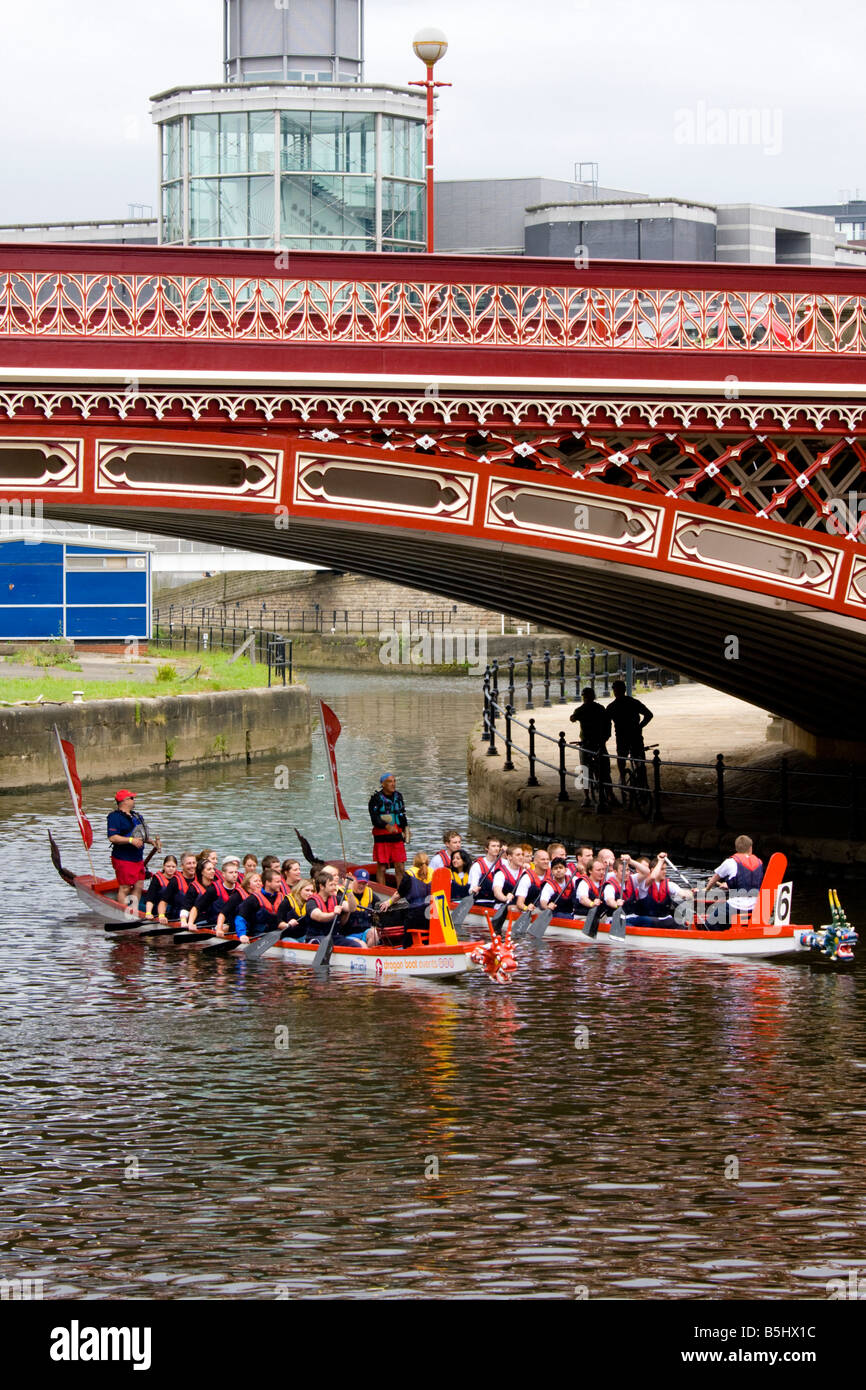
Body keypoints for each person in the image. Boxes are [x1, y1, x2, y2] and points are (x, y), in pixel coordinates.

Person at [107, 789, 161, 910]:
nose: (134, 800)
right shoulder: (114, 817)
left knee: (139, 885)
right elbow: (112, 837)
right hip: (123, 858)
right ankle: (122, 911)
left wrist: (151, 841)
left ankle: (134, 910)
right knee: (125, 887)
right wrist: (131, 840)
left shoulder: (136, 816)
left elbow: (141, 836)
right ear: (124, 801)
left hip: (137, 858)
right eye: (131, 798)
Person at [569, 689, 615, 808]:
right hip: (599, 742)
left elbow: (573, 718)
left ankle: (586, 797)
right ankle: (610, 795)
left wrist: (573, 718)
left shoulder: (581, 709)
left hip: (587, 743)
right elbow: (608, 723)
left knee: (584, 770)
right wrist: (606, 737)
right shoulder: (600, 708)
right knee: (605, 770)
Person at [705, 835, 764, 927]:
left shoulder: (730, 862)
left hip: (736, 906)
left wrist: (706, 890)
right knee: (726, 920)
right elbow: (749, 881)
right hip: (755, 906)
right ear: (751, 848)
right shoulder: (759, 862)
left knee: (709, 923)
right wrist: (728, 885)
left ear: (736, 849)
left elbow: (713, 880)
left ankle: (720, 935)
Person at [303, 868, 369, 947]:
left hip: (333, 937)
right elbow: (318, 916)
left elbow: (352, 908)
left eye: (334, 885)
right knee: (326, 944)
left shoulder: (337, 899)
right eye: (331, 885)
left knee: (356, 946)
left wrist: (349, 891)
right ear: (321, 886)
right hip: (315, 937)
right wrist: (333, 914)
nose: (334, 888)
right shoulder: (311, 902)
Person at [607, 680, 654, 790]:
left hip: (621, 736)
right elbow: (649, 715)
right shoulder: (633, 702)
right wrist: (640, 726)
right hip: (636, 735)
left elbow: (605, 722)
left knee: (621, 756)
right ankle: (643, 782)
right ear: (625, 690)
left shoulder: (612, 706)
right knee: (639, 759)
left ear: (614, 691)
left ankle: (622, 777)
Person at [368, 773, 411, 886]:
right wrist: (386, 826)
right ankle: (382, 890)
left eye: (394, 781)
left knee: (400, 866)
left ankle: (400, 891)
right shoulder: (375, 799)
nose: (393, 784)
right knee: (382, 867)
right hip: (382, 837)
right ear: (383, 784)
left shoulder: (399, 796)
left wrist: (406, 829)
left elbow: (402, 814)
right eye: (390, 782)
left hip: (397, 836)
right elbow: (374, 818)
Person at [188, 859, 239, 930]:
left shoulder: (240, 889)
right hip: (215, 924)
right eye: (231, 873)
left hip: (233, 925)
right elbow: (196, 908)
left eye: (236, 872)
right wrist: (190, 923)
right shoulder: (213, 890)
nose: (234, 875)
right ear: (223, 874)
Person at [156, 852, 198, 922]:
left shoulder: (200, 879)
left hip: (196, 918)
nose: (192, 866)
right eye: (189, 863)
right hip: (177, 917)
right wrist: (161, 916)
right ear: (182, 866)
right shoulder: (175, 881)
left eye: (194, 863)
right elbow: (163, 902)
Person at [467, 836, 502, 906]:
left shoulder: (504, 863)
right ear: (487, 848)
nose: (496, 848)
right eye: (493, 846)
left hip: (499, 899)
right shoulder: (477, 866)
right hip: (482, 899)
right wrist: (473, 890)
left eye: (498, 846)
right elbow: (472, 887)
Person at [492, 844, 524, 909]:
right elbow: (497, 892)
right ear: (509, 857)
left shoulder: (524, 872)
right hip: (502, 904)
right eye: (518, 855)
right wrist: (505, 898)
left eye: (522, 854)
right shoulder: (500, 873)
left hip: (520, 905)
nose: (521, 857)